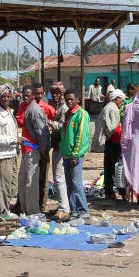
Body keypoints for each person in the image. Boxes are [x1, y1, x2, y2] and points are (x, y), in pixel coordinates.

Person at [0, 84, 20, 217]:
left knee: (13, 186)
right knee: (5, 186)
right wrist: (13, 140)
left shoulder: (10, 112)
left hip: (12, 152)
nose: (6, 99)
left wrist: (17, 139)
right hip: (2, 154)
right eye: (4, 96)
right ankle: (3, 211)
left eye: (9, 96)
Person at [18, 85, 49, 215]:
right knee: (24, 181)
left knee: (31, 182)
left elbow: (42, 133)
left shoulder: (34, 110)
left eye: (28, 95)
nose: (25, 97)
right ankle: (26, 210)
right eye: (24, 95)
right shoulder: (28, 109)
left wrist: (42, 151)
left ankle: (33, 212)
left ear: (33, 96)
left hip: (32, 151)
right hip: (27, 150)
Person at [60, 90, 90, 219]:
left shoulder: (81, 114)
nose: (69, 102)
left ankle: (83, 212)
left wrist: (75, 154)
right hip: (66, 154)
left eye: (71, 99)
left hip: (74, 155)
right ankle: (74, 211)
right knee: (69, 185)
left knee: (76, 184)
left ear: (77, 99)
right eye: (67, 99)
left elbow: (81, 136)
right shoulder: (68, 113)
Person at [47, 82, 70, 221]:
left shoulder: (64, 108)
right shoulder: (57, 106)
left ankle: (63, 208)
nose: (55, 95)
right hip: (58, 145)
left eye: (58, 92)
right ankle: (63, 205)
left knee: (59, 177)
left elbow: (61, 126)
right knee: (59, 178)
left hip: (61, 147)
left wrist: (49, 122)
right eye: (53, 92)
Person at [98, 89, 126, 201]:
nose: (122, 103)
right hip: (114, 143)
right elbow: (113, 128)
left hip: (112, 142)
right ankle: (120, 192)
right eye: (122, 100)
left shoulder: (111, 107)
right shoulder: (112, 108)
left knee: (109, 169)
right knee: (117, 169)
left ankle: (110, 192)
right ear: (117, 98)